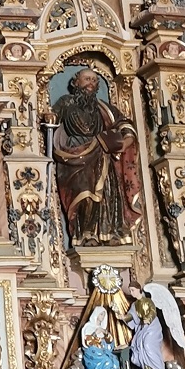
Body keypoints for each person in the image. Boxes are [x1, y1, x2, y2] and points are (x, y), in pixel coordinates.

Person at [51, 65, 144, 246]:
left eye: (94, 80)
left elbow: (123, 123)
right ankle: (85, 233)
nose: (91, 83)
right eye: (87, 79)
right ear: (76, 82)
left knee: (107, 192)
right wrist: (50, 118)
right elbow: (51, 118)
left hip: (102, 153)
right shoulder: (65, 102)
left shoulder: (104, 108)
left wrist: (126, 139)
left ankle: (108, 233)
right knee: (83, 191)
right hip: (75, 155)